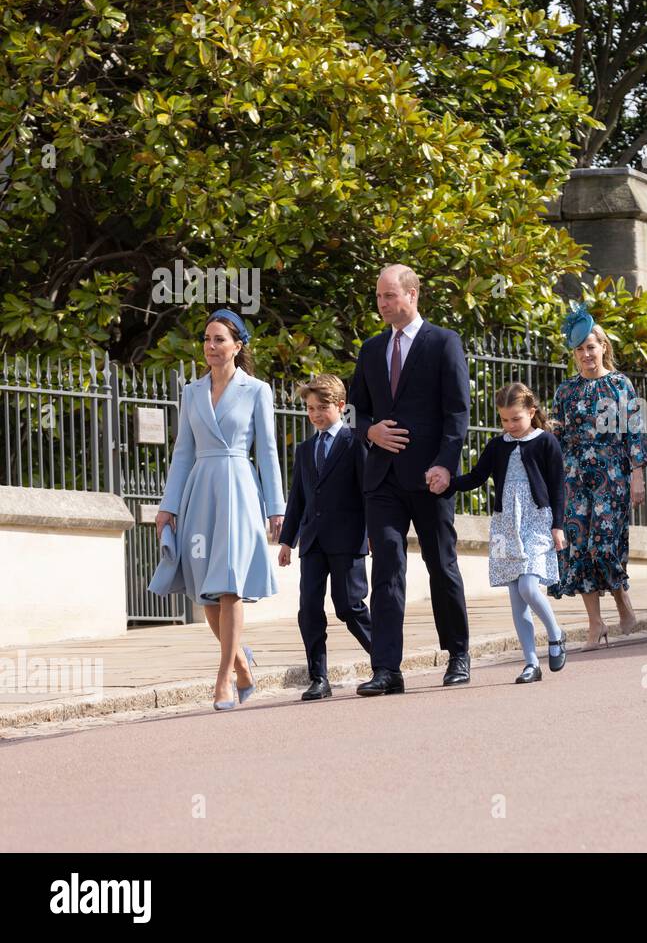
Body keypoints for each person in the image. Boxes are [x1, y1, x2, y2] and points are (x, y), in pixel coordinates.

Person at [149, 310, 285, 711]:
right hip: (199, 494)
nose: (211, 346)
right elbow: (182, 454)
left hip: (240, 491)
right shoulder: (191, 392)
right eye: (207, 339)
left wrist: (276, 507)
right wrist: (168, 507)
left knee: (229, 585)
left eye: (219, 339)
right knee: (205, 594)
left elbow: (269, 453)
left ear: (237, 346)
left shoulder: (257, 390)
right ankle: (242, 664)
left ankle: (223, 679)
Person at [349, 264, 471, 696]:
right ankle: (386, 669)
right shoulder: (370, 350)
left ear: (413, 294)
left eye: (389, 296)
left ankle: (458, 653)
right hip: (382, 478)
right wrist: (369, 431)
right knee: (386, 568)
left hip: (430, 477)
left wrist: (445, 465)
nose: (382, 304)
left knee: (441, 565)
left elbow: (457, 413)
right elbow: (356, 411)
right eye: (378, 297)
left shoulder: (443, 342)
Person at [448, 383, 567, 683]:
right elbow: (476, 477)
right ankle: (530, 663)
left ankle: (555, 634)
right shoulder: (498, 445)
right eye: (504, 420)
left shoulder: (546, 442)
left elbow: (557, 486)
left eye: (516, 418)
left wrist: (559, 526)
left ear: (531, 411)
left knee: (529, 587)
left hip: (537, 519)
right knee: (516, 597)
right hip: (505, 523)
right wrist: (447, 483)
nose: (510, 425)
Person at [549, 304, 647, 650]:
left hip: (613, 476)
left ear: (603, 346)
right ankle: (595, 623)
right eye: (579, 350)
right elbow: (556, 440)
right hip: (574, 478)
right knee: (578, 547)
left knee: (603, 546)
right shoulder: (565, 392)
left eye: (591, 347)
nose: (586, 354)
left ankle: (622, 601)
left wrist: (637, 475)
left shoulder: (620, 385)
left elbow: (634, 433)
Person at [277, 374, 373, 701]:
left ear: (341, 407)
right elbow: (297, 499)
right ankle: (319, 678)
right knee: (309, 610)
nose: (316, 414)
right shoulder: (305, 450)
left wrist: (372, 533)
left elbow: (367, 493)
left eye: (322, 407)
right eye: (310, 408)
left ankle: (385, 662)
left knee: (349, 606)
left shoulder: (355, 441)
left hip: (347, 540)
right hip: (313, 541)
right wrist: (287, 541)